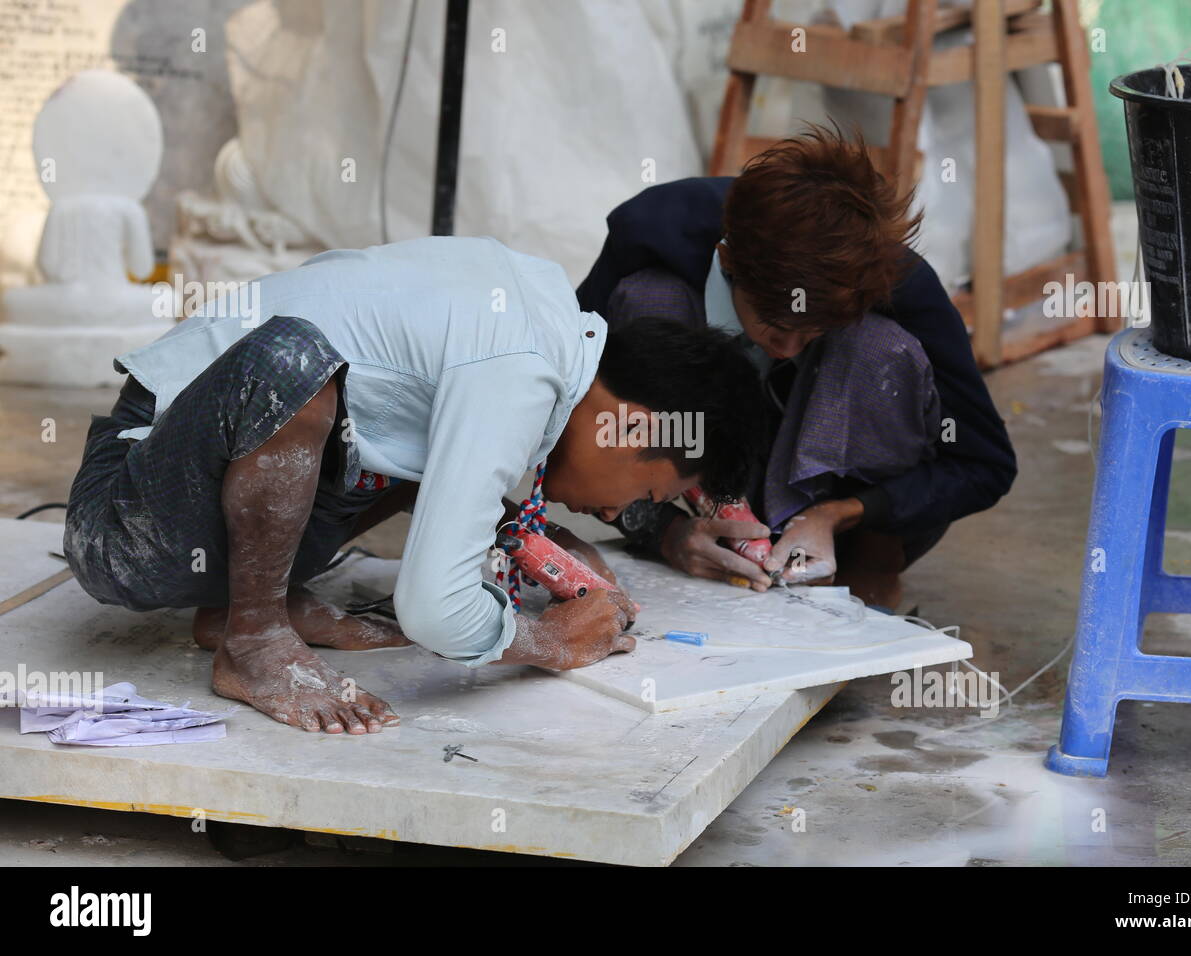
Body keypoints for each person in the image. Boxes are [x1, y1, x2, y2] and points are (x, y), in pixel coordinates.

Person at [63, 236, 766, 734]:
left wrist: (529, 539)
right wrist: (549, 641)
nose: (619, 511)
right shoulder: (521, 363)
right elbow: (433, 610)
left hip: (207, 514)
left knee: (410, 431)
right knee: (295, 359)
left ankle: (241, 605)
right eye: (646, 496)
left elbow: (452, 467)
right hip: (124, 523)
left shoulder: (542, 328)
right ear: (634, 426)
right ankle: (254, 639)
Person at [578, 124, 1017, 609]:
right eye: (774, 326)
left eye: (811, 333)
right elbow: (563, 416)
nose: (787, 349)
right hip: (699, 481)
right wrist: (663, 531)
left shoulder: (899, 282)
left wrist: (840, 514)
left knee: (878, 346)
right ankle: (689, 518)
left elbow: (984, 465)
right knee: (649, 301)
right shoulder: (652, 229)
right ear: (727, 261)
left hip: (847, 505)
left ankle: (872, 558)